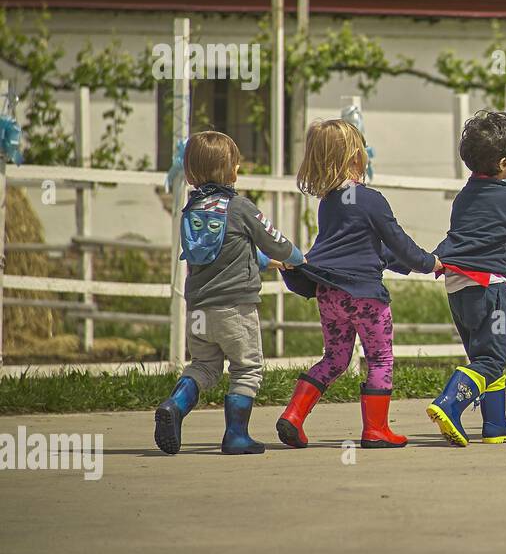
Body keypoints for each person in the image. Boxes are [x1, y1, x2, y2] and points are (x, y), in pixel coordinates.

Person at [277, 118, 437, 450]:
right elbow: (399, 244)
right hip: (365, 298)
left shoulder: (329, 202)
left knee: (335, 359)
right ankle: (376, 430)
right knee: (379, 359)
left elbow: (365, 250)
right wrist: (427, 263)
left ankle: (293, 415)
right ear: (354, 157)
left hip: (329, 293)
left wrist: (402, 266)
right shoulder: (370, 200)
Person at [153, 130, 303, 456]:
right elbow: (272, 239)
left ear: (191, 173)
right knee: (246, 368)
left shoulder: (192, 212)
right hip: (235, 307)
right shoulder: (240, 207)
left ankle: (175, 405)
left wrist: (267, 262)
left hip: (198, 309)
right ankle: (236, 435)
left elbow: (227, 250)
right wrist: (296, 258)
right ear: (230, 171)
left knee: (204, 366)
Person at [427, 111, 506, 447]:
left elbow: (480, 240)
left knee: (483, 354)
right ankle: (449, 404)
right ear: (502, 162)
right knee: (493, 358)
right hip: (489, 290)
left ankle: (496, 423)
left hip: (458, 287)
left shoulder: (464, 196)